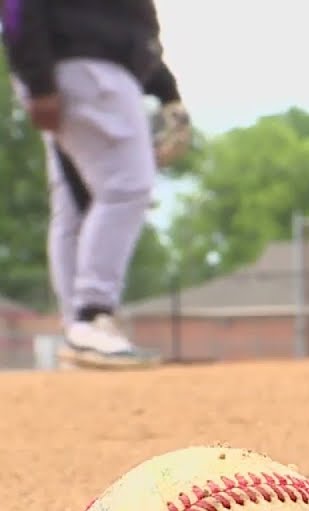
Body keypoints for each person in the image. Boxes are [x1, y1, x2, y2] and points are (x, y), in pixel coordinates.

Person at [3, 0, 188, 369]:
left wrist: (166, 91)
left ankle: (80, 331)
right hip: (86, 71)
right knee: (126, 188)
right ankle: (92, 317)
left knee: (76, 205)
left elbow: (123, 27)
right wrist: (38, 81)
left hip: (83, 69)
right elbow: (17, 7)